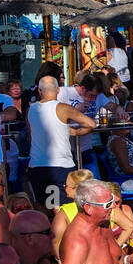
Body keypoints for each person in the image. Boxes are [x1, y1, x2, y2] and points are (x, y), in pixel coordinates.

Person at [26, 77, 95, 207]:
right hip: (61, 165)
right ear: (58, 90)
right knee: (65, 209)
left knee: (45, 207)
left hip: (37, 165)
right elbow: (91, 124)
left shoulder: (30, 109)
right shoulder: (63, 108)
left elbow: (30, 135)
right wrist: (76, 132)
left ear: (40, 92)